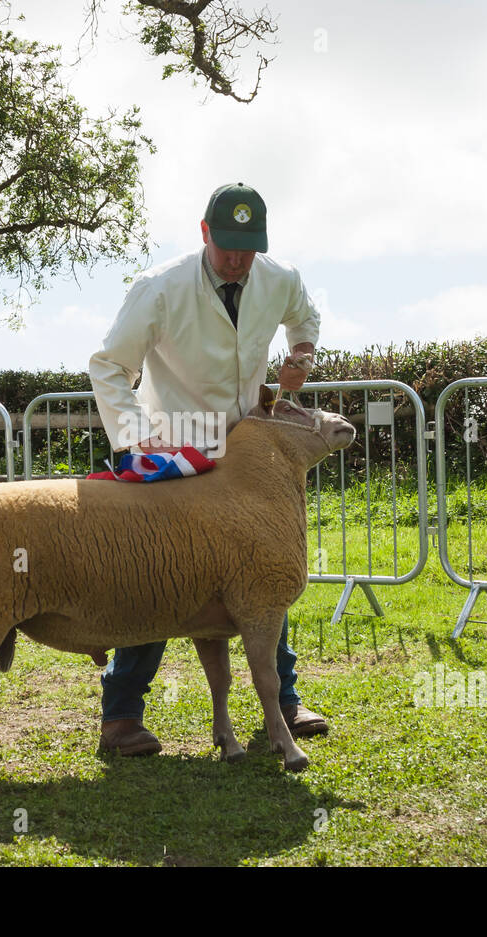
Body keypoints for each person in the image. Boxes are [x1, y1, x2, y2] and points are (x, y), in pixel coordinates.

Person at [88, 182, 325, 756]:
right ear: (204, 234)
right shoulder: (159, 288)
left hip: (245, 448)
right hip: (172, 446)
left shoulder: (281, 277)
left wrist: (300, 358)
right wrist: (132, 439)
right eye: (227, 249)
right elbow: (108, 365)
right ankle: (122, 716)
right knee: (158, 574)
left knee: (262, 569)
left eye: (248, 248)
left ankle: (284, 702)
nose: (237, 260)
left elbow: (305, 320)